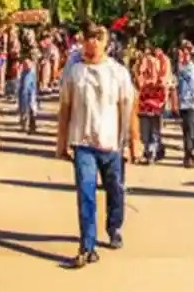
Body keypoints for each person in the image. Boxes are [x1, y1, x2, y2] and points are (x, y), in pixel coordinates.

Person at [56, 22, 136, 269]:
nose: (91, 45)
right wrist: (61, 142)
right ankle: (87, 246)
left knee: (115, 189)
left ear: (105, 44)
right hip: (83, 143)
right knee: (86, 194)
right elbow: (65, 108)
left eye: (97, 40)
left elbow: (129, 106)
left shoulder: (118, 72)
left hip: (111, 143)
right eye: (88, 39)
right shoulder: (74, 72)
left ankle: (114, 227)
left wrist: (134, 141)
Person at [173, 46, 194, 169]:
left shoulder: (193, 68)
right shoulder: (180, 70)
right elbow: (175, 88)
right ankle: (190, 155)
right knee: (188, 131)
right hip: (185, 104)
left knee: (193, 131)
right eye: (180, 54)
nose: (182, 57)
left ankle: (193, 153)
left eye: (185, 54)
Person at [135, 48, 168, 164]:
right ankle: (149, 151)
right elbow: (139, 82)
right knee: (146, 132)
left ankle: (151, 152)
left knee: (153, 131)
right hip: (145, 106)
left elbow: (160, 81)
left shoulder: (158, 69)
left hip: (155, 106)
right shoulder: (142, 72)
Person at [16, 56, 38, 134]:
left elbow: (33, 87)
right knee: (23, 111)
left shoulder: (31, 73)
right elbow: (20, 84)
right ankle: (24, 125)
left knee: (31, 110)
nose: (27, 65)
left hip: (30, 95)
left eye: (28, 63)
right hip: (23, 95)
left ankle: (31, 126)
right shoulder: (23, 74)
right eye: (25, 64)